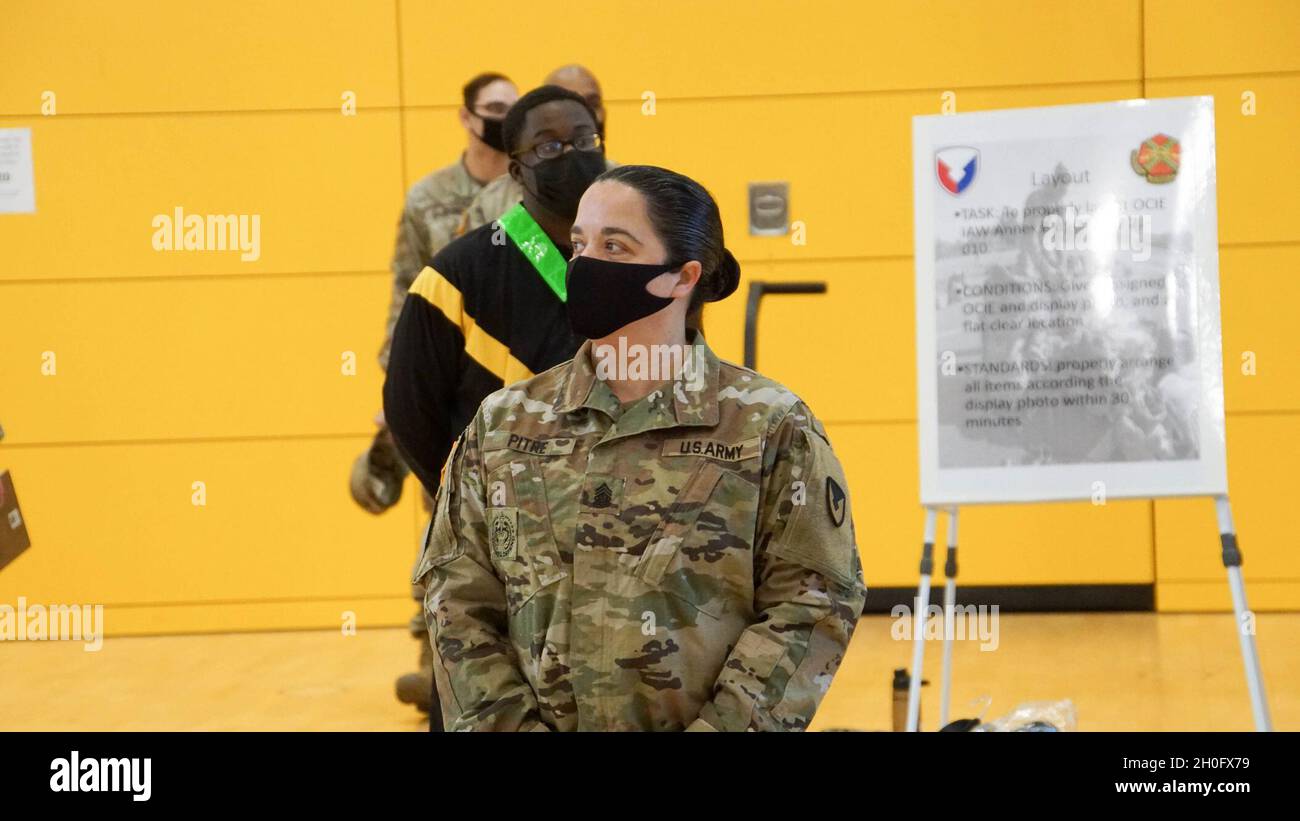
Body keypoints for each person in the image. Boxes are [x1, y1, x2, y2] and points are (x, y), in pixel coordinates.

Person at [413, 165, 867, 731]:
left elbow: (811, 604)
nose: (584, 264)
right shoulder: (504, 424)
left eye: (614, 246)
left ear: (681, 277)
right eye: (578, 244)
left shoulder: (768, 427)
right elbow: (457, 598)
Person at [384, 85, 609, 722]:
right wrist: (468, 502)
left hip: (616, 550)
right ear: (516, 168)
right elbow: (409, 409)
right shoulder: (457, 272)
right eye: (549, 146)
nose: (571, 154)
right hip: (495, 554)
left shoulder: (634, 267)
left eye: (584, 139)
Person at [348, 71, 518, 714]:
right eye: (493, 109)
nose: (503, 120)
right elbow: (405, 290)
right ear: (467, 116)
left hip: (511, 371)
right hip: (447, 367)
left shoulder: (530, 192)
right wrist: (399, 384)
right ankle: (437, 653)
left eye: (512, 109)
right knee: (442, 507)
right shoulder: (429, 197)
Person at [457, 64, 614, 236]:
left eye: (592, 103)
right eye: (559, 104)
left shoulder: (628, 188)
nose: (574, 113)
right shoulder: (492, 202)